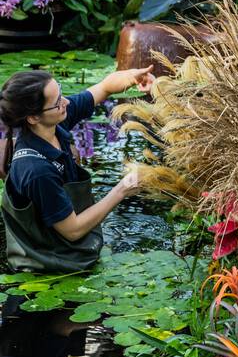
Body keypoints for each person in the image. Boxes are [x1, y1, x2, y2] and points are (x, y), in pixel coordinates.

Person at [0, 65, 153, 274]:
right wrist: (122, 190)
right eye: (57, 102)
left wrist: (129, 77)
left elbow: (102, 88)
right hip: (49, 269)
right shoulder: (36, 170)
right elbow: (72, 231)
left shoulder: (53, 123)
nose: (67, 102)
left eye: (61, 93)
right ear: (32, 117)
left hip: (68, 248)